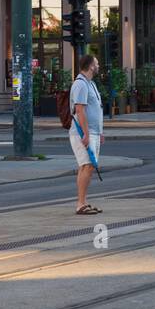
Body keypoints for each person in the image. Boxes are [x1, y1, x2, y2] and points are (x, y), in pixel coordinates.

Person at [69, 54, 104, 215]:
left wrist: (100, 132)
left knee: (87, 166)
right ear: (90, 66)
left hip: (93, 132)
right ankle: (80, 204)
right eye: (96, 63)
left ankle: (83, 202)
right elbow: (80, 110)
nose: (98, 65)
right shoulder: (80, 84)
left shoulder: (91, 84)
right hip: (82, 133)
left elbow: (96, 109)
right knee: (87, 165)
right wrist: (86, 134)